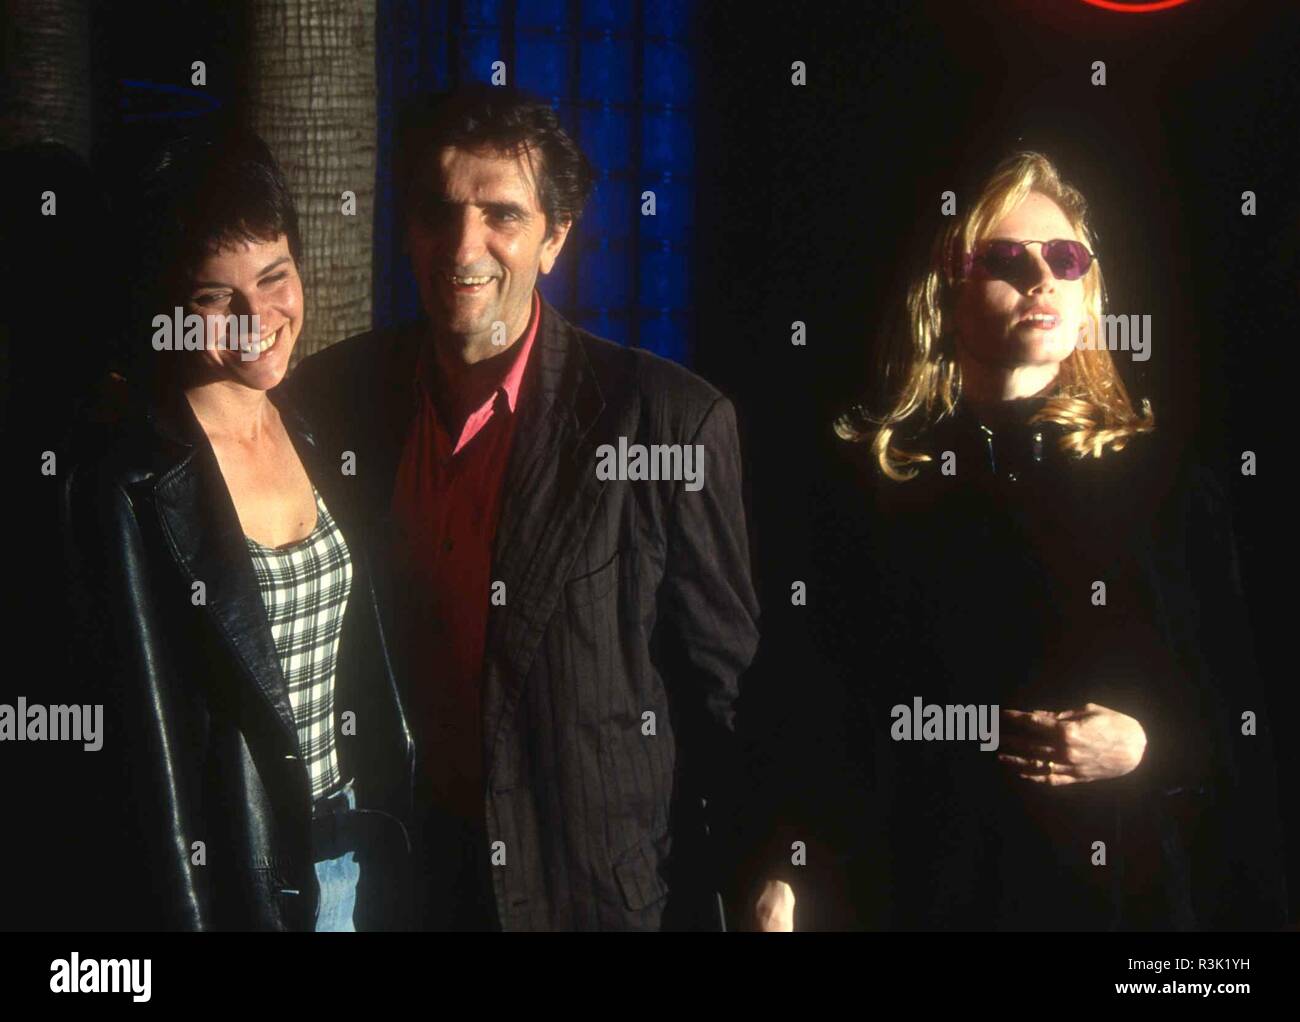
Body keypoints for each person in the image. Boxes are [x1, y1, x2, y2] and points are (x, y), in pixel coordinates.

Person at [286, 85, 793, 930]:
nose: (464, 244)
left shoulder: (667, 419)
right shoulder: (336, 399)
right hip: (395, 889)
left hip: (587, 894)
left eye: (503, 216)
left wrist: (766, 874)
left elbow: (726, 689)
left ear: (556, 237)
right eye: (439, 211)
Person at [802, 150, 1287, 929]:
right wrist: (788, 872)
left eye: (1064, 257)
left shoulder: (1162, 486)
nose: (1042, 277)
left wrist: (1148, 746)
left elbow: (1246, 718)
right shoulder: (881, 487)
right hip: (925, 890)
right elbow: (825, 709)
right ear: (944, 293)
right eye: (1005, 257)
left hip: (1119, 905)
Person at [63, 128, 415, 931]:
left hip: (354, 855)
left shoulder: (315, 431)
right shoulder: (132, 483)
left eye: (274, 276)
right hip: (243, 883)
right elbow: (150, 764)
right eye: (215, 297)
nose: (257, 317)